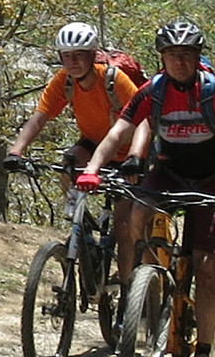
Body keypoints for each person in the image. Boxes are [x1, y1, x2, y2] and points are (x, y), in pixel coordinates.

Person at [77, 19, 215, 357]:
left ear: (197, 57)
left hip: (212, 178)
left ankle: (203, 353)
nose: (179, 61)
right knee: (134, 216)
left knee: (207, 266)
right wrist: (92, 170)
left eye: (186, 54)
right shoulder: (152, 92)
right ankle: (147, 283)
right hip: (168, 172)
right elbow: (117, 134)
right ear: (162, 59)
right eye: (173, 55)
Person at [7, 22, 143, 264]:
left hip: (128, 153)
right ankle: (84, 235)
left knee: (123, 228)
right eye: (66, 56)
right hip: (93, 144)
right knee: (69, 164)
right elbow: (39, 118)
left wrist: (135, 158)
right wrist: (16, 152)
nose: (72, 62)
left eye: (79, 55)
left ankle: (127, 293)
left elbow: (143, 119)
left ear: (92, 55)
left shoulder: (114, 79)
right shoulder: (64, 81)